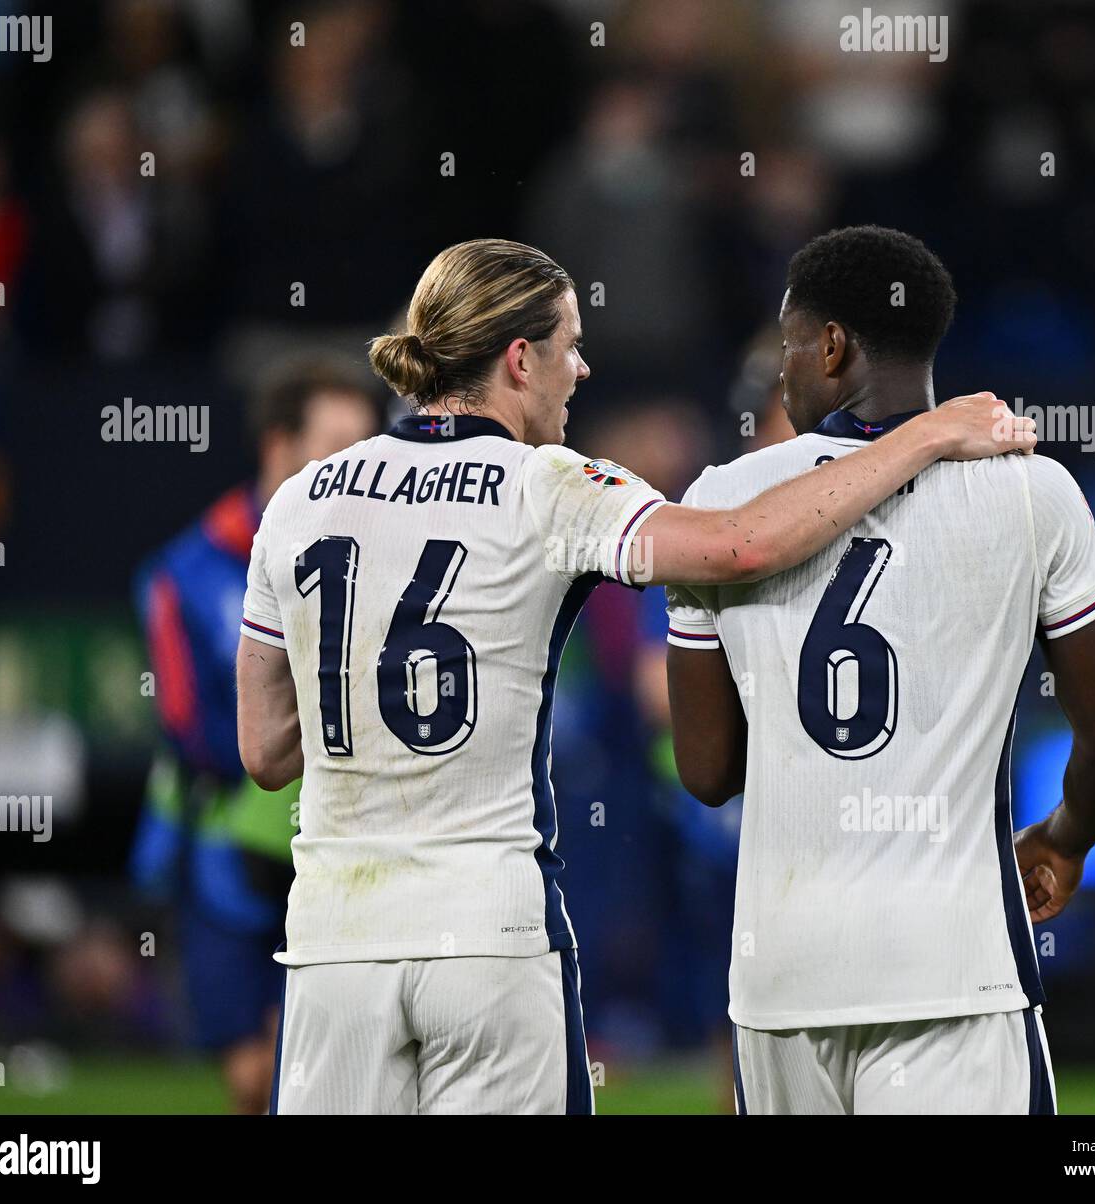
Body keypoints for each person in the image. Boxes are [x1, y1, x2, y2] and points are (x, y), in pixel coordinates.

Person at [234, 237, 1033, 1116]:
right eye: (571, 345)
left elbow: (268, 750)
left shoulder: (301, 500)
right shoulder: (549, 484)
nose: (581, 370)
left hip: (332, 949)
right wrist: (925, 434)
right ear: (518, 358)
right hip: (488, 936)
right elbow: (742, 544)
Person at [664, 225, 1095, 1115]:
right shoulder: (1033, 490)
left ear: (834, 346)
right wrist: (1062, 839)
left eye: (790, 346)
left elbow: (707, 772)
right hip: (954, 975)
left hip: (780, 984)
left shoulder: (722, 503)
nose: (783, 373)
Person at [133, 361, 377, 1112]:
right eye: (333, 447)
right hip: (226, 842)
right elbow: (186, 723)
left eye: (362, 449)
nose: (351, 469)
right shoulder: (187, 571)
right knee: (251, 1072)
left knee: (331, 1065)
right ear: (279, 443)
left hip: (344, 846)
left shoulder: (380, 561)